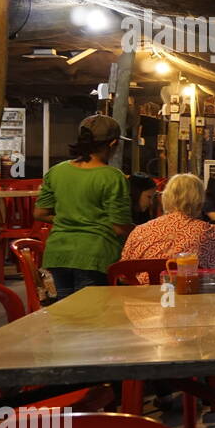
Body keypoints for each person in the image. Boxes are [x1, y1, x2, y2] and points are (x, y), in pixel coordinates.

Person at [33, 116, 132, 300]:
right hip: (94, 255)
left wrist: (70, 218)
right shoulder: (112, 177)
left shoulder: (57, 171)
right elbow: (119, 227)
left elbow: (40, 213)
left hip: (58, 253)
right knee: (89, 318)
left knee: (67, 315)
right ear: (112, 143)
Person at [120, 173, 215, 272]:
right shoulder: (212, 233)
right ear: (199, 201)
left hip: (142, 299)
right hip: (194, 298)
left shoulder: (139, 231)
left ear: (166, 198)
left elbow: (123, 272)